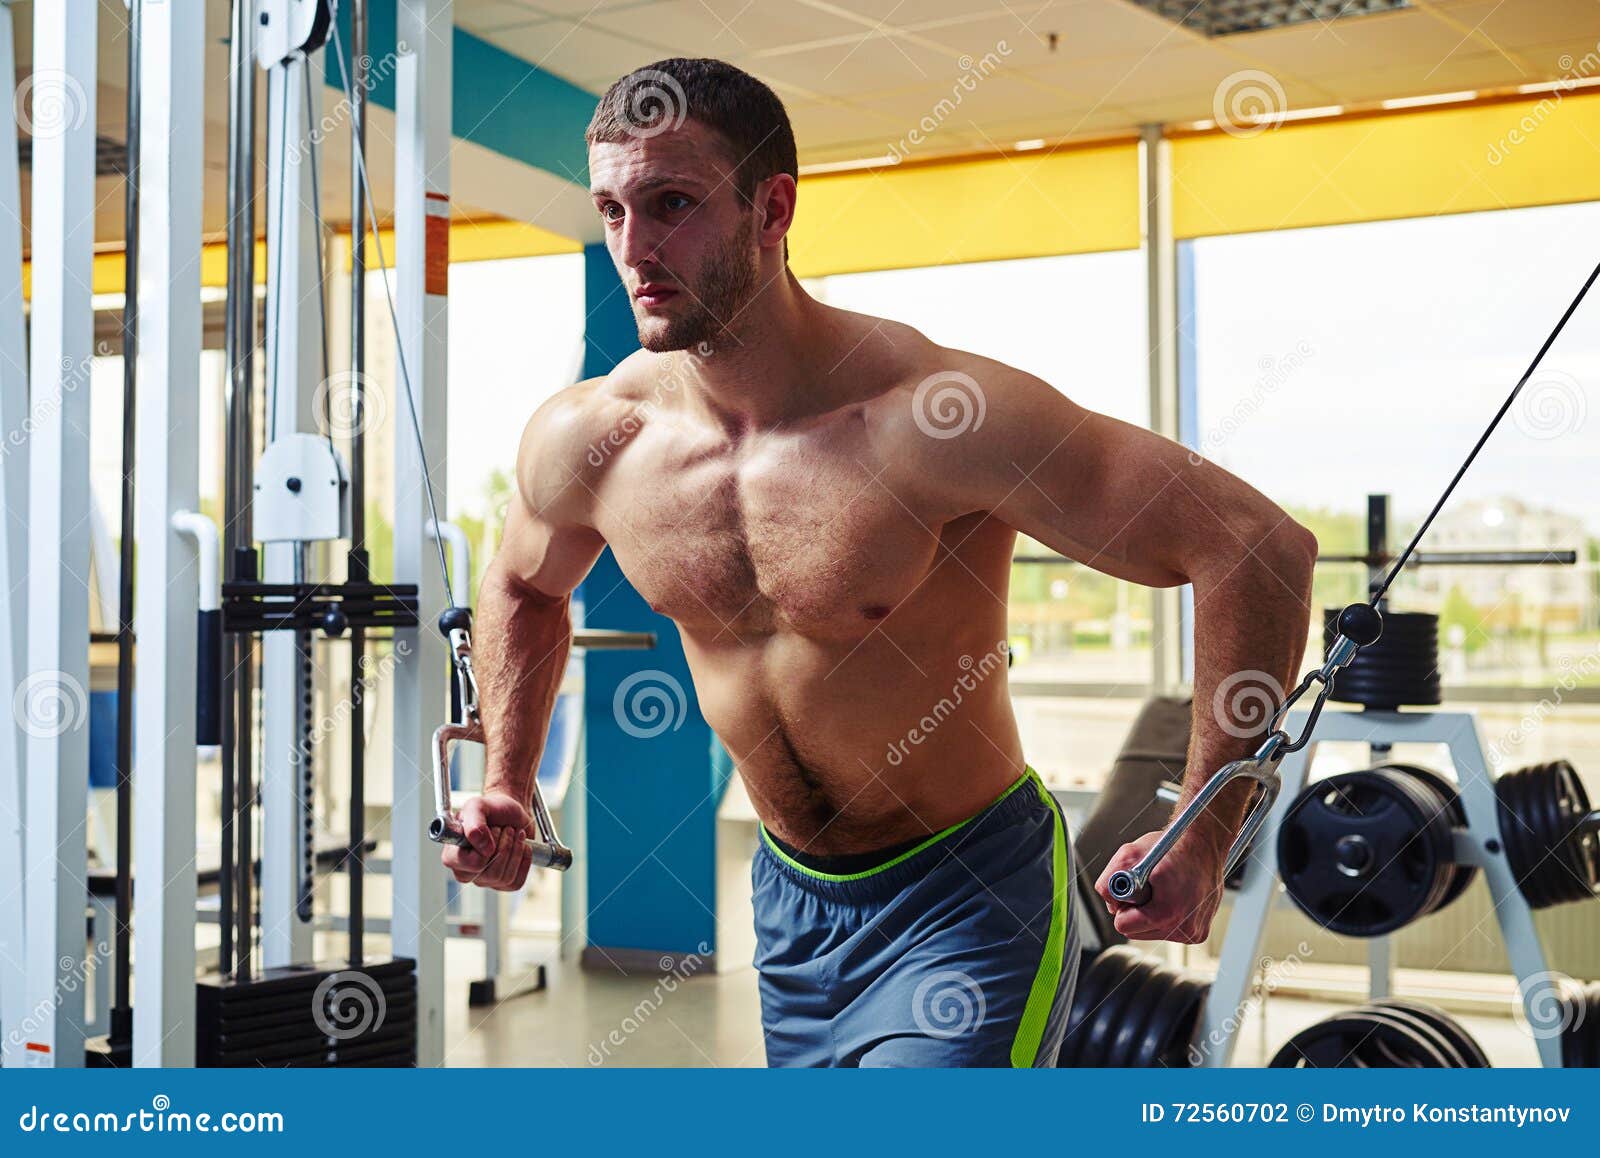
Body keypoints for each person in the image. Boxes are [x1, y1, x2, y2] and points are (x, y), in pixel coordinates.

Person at [441, 57, 1317, 1067]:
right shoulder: (592, 440)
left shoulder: (935, 419)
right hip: (791, 911)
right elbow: (519, 583)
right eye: (612, 209)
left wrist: (1207, 830)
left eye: (672, 204)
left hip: (969, 897)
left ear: (771, 210)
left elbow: (1254, 546)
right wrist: (506, 778)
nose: (635, 248)